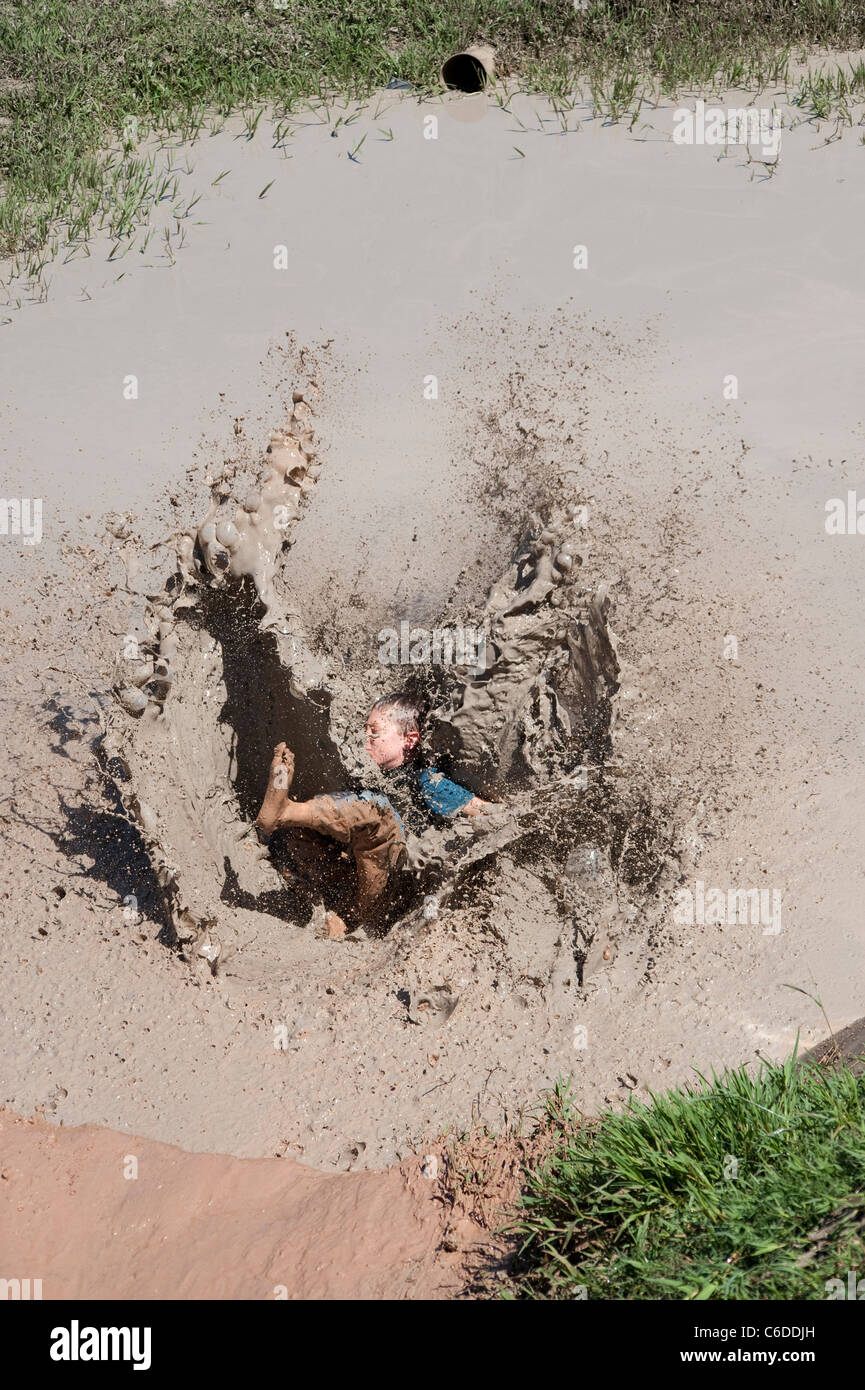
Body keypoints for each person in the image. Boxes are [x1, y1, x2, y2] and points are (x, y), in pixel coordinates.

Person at [255, 692, 488, 936]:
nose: (367, 737)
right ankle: (330, 905)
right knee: (297, 834)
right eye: (365, 730)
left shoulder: (428, 782)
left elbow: (484, 811)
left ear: (409, 740)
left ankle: (286, 811)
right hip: (359, 870)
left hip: (393, 882)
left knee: (375, 808)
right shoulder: (374, 779)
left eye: (375, 731)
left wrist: (523, 814)